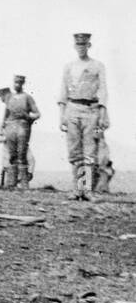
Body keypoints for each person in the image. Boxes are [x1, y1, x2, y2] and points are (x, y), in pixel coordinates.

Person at [58, 32, 109, 200]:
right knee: (74, 151)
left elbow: (102, 90)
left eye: (84, 45)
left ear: (89, 46)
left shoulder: (97, 66)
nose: (81, 48)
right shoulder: (69, 66)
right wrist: (62, 115)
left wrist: (102, 114)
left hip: (90, 110)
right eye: (78, 45)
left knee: (89, 151)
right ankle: (77, 189)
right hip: (72, 108)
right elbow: (63, 92)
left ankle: (87, 190)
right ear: (74, 46)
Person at [0, 75, 40, 189]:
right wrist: (2, 128)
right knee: (12, 155)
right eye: (15, 82)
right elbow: (5, 114)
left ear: (23, 84)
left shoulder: (27, 98)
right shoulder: (9, 97)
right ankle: (11, 184)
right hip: (10, 127)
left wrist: (27, 116)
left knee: (22, 154)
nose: (17, 84)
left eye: (19, 83)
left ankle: (24, 184)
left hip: (22, 126)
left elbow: (37, 114)